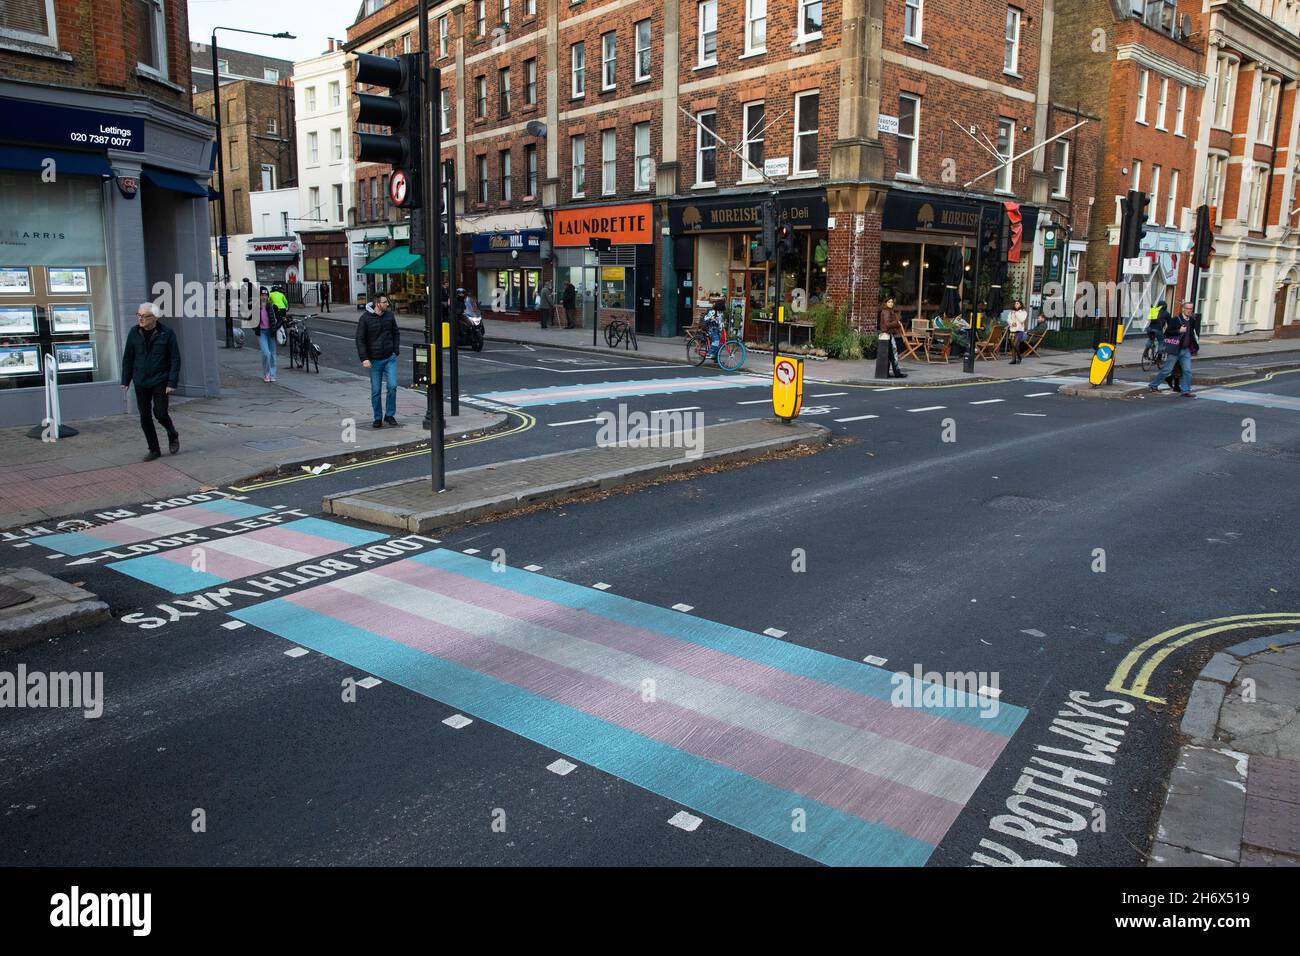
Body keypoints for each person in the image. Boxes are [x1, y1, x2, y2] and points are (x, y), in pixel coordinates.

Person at [120, 303, 181, 461]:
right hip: (140, 380)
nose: (140, 318)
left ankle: (172, 433)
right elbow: (128, 357)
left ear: (154, 318)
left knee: (160, 413)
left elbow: (175, 358)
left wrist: (171, 382)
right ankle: (154, 449)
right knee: (145, 417)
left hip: (160, 380)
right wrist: (125, 380)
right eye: (138, 315)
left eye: (144, 316)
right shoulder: (134, 332)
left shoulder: (167, 333)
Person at [356, 293, 401, 427]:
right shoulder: (365, 318)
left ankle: (389, 415)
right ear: (377, 304)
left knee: (392, 386)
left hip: (389, 358)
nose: (388, 304)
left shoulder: (389, 316)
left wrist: (395, 350)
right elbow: (360, 340)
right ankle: (377, 417)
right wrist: (364, 358)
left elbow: (396, 333)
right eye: (385, 302)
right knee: (376, 390)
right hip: (374, 360)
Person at [1148, 301, 1197, 397]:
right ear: (1183, 309)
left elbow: (1191, 334)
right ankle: (1153, 385)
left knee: (1187, 371)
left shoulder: (1191, 320)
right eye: (1187, 308)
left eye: (1191, 309)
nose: (1189, 310)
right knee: (1167, 370)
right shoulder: (1176, 319)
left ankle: (1185, 391)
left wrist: (1195, 347)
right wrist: (1179, 330)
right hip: (1175, 349)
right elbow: (1168, 332)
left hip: (1185, 350)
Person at [254, 287, 278, 382]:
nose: (264, 297)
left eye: (265, 295)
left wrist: (275, 328)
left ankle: (272, 374)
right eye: (262, 295)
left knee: (272, 354)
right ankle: (266, 374)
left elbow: (279, 318)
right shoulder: (256, 307)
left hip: (270, 331)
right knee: (266, 353)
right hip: (261, 332)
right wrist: (255, 328)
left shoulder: (271, 306)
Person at [880, 297, 908, 378]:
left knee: (889, 356)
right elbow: (887, 324)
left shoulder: (888, 311)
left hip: (887, 335)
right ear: (885, 303)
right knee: (894, 355)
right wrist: (897, 322)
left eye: (892, 302)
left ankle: (888, 373)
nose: (891, 303)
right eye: (889, 302)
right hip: (887, 335)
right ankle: (897, 373)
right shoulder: (886, 312)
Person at [1008, 299, 1029, 364]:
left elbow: (1022, 320)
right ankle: (1013, 359)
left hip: (1019, 330)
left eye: (1017, 303)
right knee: (1013, 345)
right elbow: (1008, 319)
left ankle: (1019, 357)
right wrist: (1011, 323)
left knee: (1015, 344)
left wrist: (1016, 313)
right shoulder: (1011, 312)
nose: (1016, 305)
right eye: (1015, 303)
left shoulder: (1023, 312)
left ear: (1020, 305)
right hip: (1012, 330)